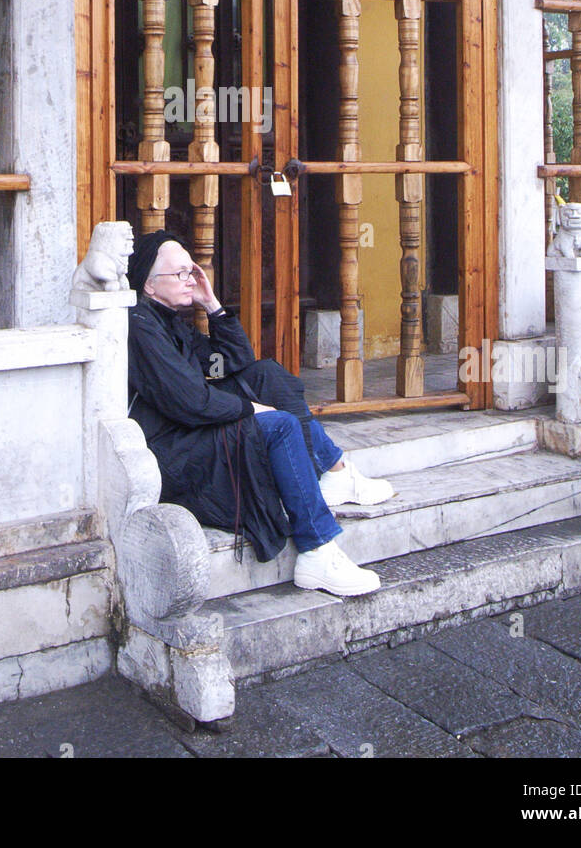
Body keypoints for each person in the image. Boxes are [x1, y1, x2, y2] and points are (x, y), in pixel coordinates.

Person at [126, 229, 396, 598]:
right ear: (149, 284)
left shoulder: (170, 320)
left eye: (192, 272)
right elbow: (188, 400)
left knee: (267, 376)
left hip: (185, 429)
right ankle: (317, 548)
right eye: (181, 274)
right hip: (173, 452)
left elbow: (230, 364)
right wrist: (249, 409)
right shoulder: (141, 328)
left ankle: (334, 470)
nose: (191, 279)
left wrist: (214, 307)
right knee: (278, 425)